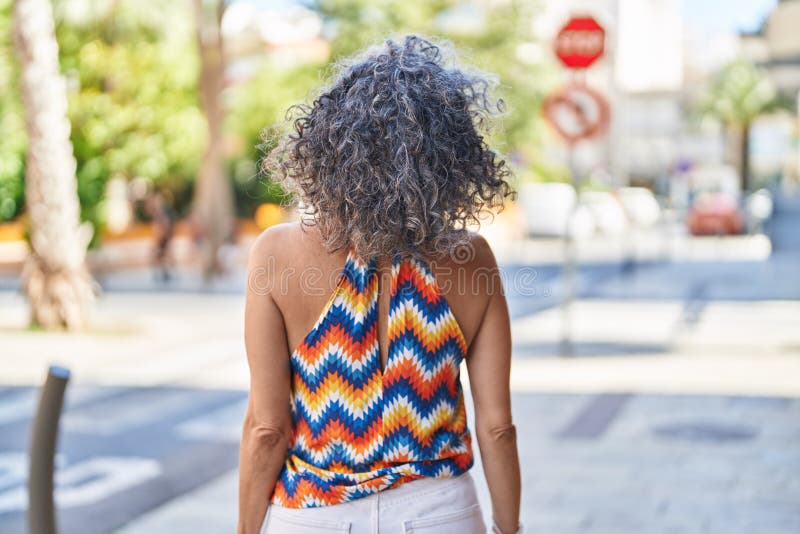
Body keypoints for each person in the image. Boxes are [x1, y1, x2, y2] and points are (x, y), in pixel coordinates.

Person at [239, 35, 521, 534]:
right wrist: (509, 527)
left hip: (314, 513)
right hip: (441, 512)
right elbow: (497, 427)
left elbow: (266, 428)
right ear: (449, 156)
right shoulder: (471, 258)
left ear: (330, 145)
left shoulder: (278, 253)